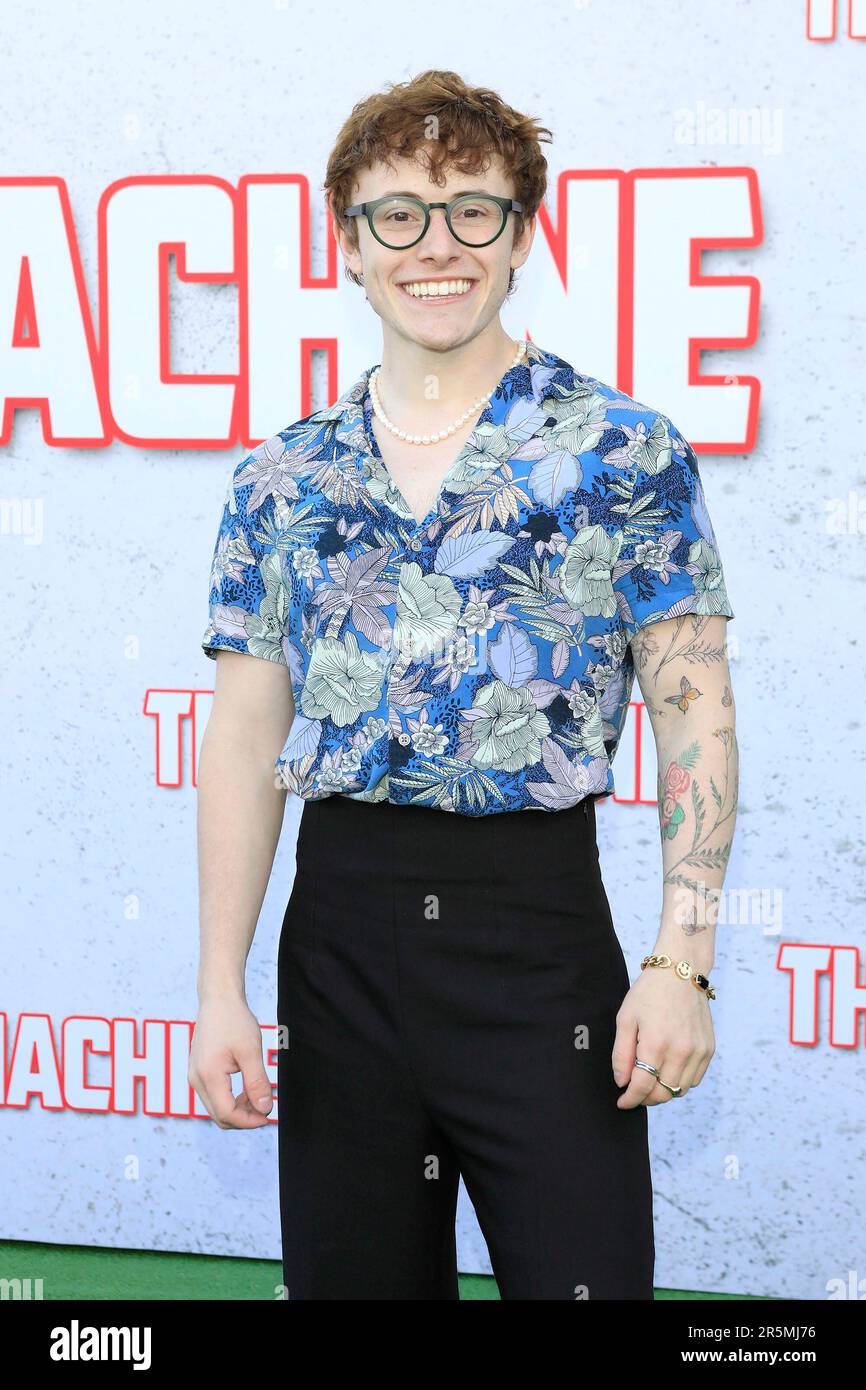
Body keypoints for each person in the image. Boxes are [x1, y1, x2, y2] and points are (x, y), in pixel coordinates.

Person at [190, 69, 738, 1301]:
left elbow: (693, 705)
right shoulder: (281, 479)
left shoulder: (620, 449)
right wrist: (219, 984)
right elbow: (240, 743)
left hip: (539, 946)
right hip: (336, 956)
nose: (434, 247)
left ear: (522, 233)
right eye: (396, 214)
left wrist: (682, 959)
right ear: (346, 241)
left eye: (471, 211)